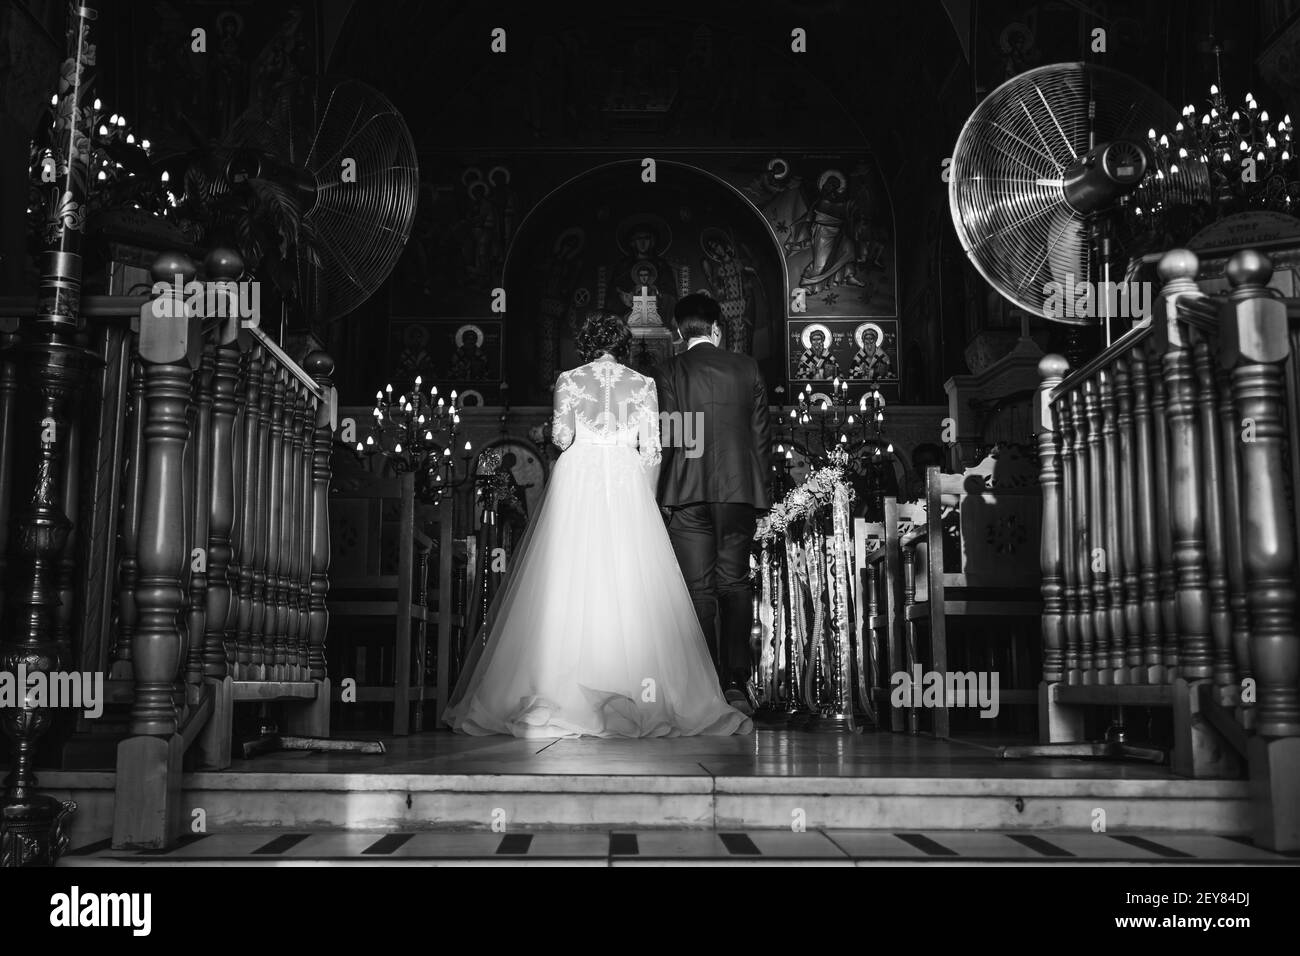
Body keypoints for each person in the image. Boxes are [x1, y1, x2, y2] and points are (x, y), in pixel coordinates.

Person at [442, 311, 752, 738]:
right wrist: (647, 503)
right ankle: (640, 688)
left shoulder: (568, 380)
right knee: (626, 577)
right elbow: (652, 450)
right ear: (622, 346)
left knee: (571, 577)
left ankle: (557, 686)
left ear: (586, 345)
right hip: (626, 479)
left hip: (580, 479)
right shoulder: (642, 384)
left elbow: (561, 437)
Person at [654, 294, 771, 715]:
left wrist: (662, 493)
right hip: (739, 492)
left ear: (678, 332)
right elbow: (760, 437)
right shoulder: (747, 367)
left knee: (699, 590)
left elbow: (672, 436)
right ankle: (736, 684)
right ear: (717, 329)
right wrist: (760, 496)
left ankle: (703, 687)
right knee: (734, 584)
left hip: (687, 492)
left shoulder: (670, 370)